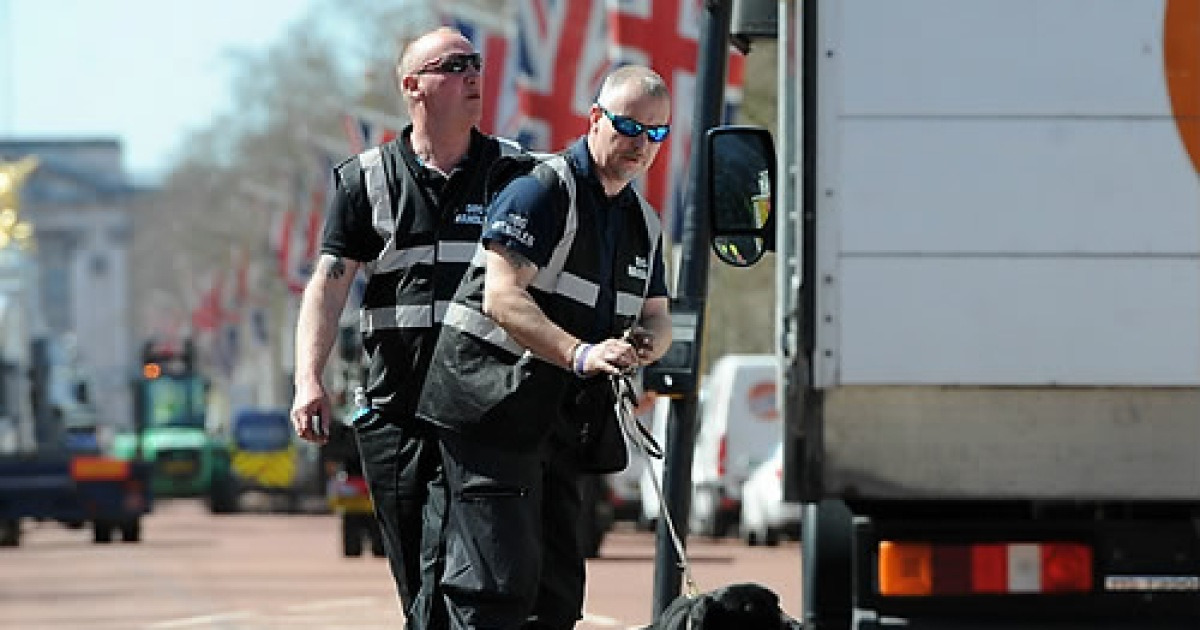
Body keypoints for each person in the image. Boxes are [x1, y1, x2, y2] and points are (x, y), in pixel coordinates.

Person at [416, 65, 675, 629]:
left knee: (557, 593)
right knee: (496, 585)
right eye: (629, 126)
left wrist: (640, 348)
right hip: (485, 406)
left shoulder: (645, 224)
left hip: (555, 419)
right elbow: (501, 298)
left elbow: (657, 318)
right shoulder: (542, 188)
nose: (640, 144)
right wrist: (583, 353)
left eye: (656, 134)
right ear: (595, 119)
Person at [289, 26, 523, 626]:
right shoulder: (364, 179)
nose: (473, 73)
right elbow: (329, 283)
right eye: (454, 65)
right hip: (396, 415)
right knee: (417, 572)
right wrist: (307, 380)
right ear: (412, 87)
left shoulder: (518, 176)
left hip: (484, 416)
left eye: (476, 62)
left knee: (464, 573)